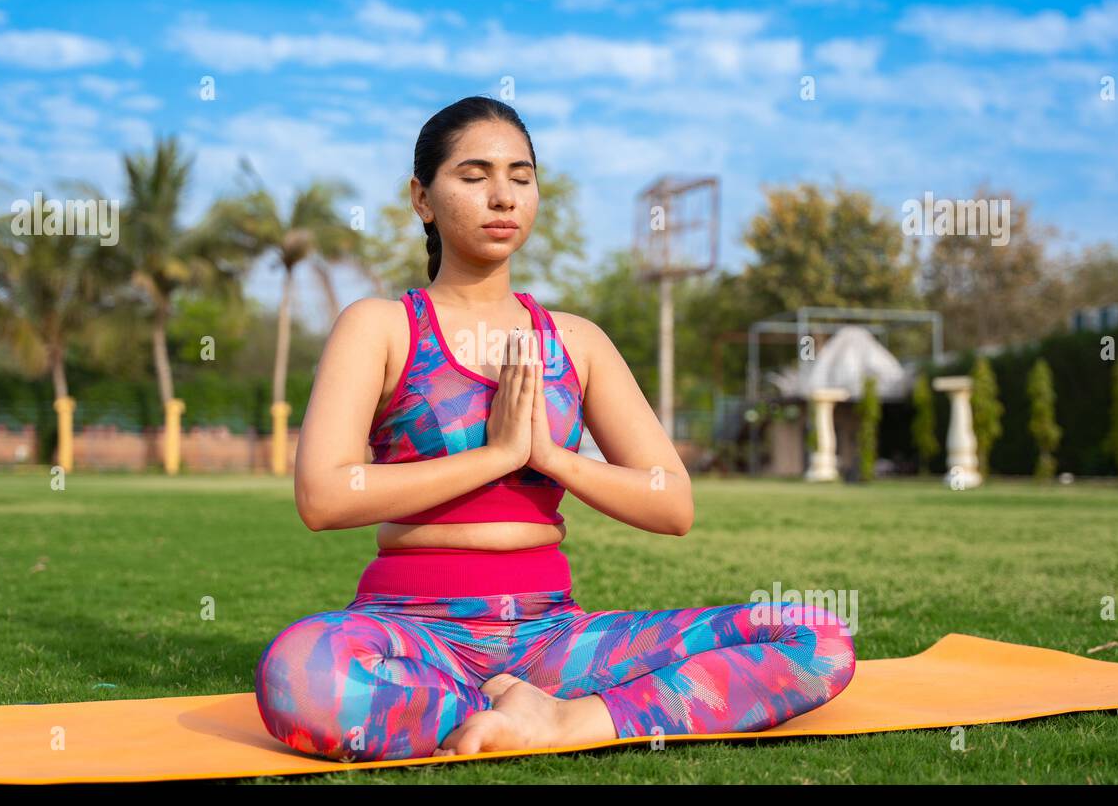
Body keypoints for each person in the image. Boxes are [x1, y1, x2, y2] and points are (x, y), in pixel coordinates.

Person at [253, 95, 855, 762]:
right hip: (410, 633)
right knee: (301, 673)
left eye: (521, 175)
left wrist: (552, 458)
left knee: (814, 637)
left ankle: (569, 722)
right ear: (422, 198)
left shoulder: (578, 342)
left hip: (553, 641)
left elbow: (673, 503)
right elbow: (324, 497)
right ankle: (501, 708)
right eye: (474, 176)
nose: (503, 196)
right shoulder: (380, 327)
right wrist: (499, 454)